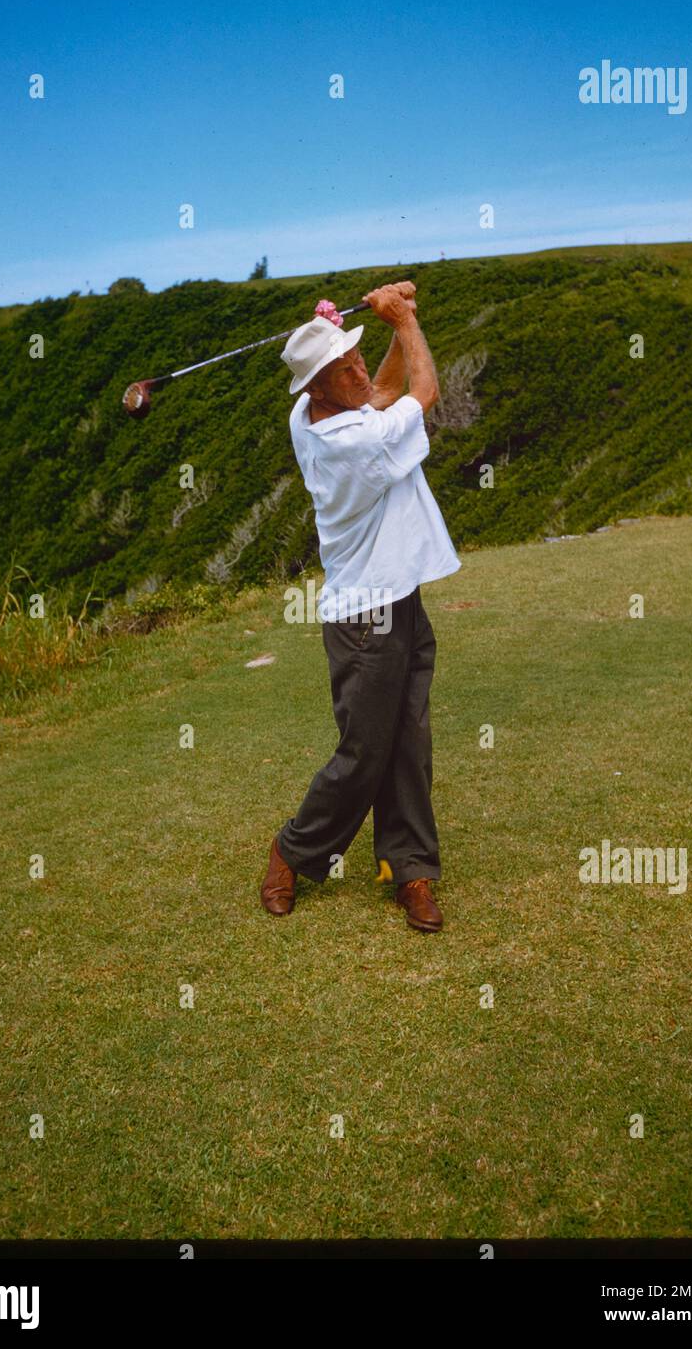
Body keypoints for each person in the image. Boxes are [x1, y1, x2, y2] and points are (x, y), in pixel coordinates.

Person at [259, 282, 461, 931]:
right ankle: (293, 851)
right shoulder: (353, 443)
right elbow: (420, 396)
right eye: (342, 367)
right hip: (363, 617)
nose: (356, 371)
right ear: (317, 389)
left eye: (353, 358)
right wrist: (403, 322)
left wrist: (387, 324)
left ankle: (411, 871)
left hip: (399, 596)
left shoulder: (314, 412)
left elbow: (374, 392)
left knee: (409, 743)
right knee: (363, 753)